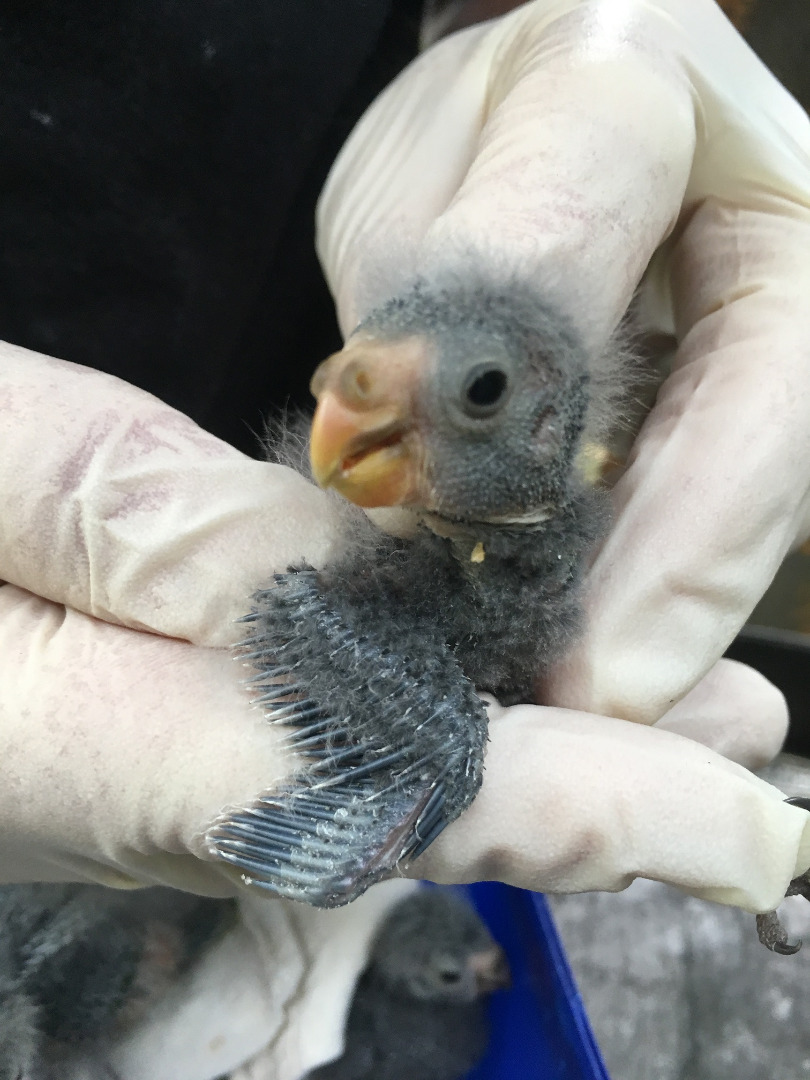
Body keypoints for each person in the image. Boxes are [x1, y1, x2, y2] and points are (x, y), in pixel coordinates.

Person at [2, 0, 810, 1075]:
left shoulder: (562, 528)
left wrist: (506, 28)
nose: (346, 407)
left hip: (313, 132)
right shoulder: (382, 569)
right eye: (356, 381)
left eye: (481, 394)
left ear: (551, 424)